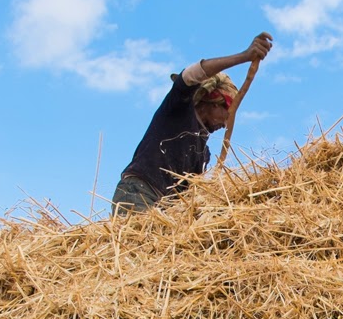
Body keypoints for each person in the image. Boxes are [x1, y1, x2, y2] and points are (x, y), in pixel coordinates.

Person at [111, 31, 274, 215]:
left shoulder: (203, 153)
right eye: (227, 111)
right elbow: (191, 75)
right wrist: (244, 57)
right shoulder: (179, 108)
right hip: (139, 193)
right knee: (140, 242)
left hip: (164, 211)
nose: (228, 121)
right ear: (212, 100)